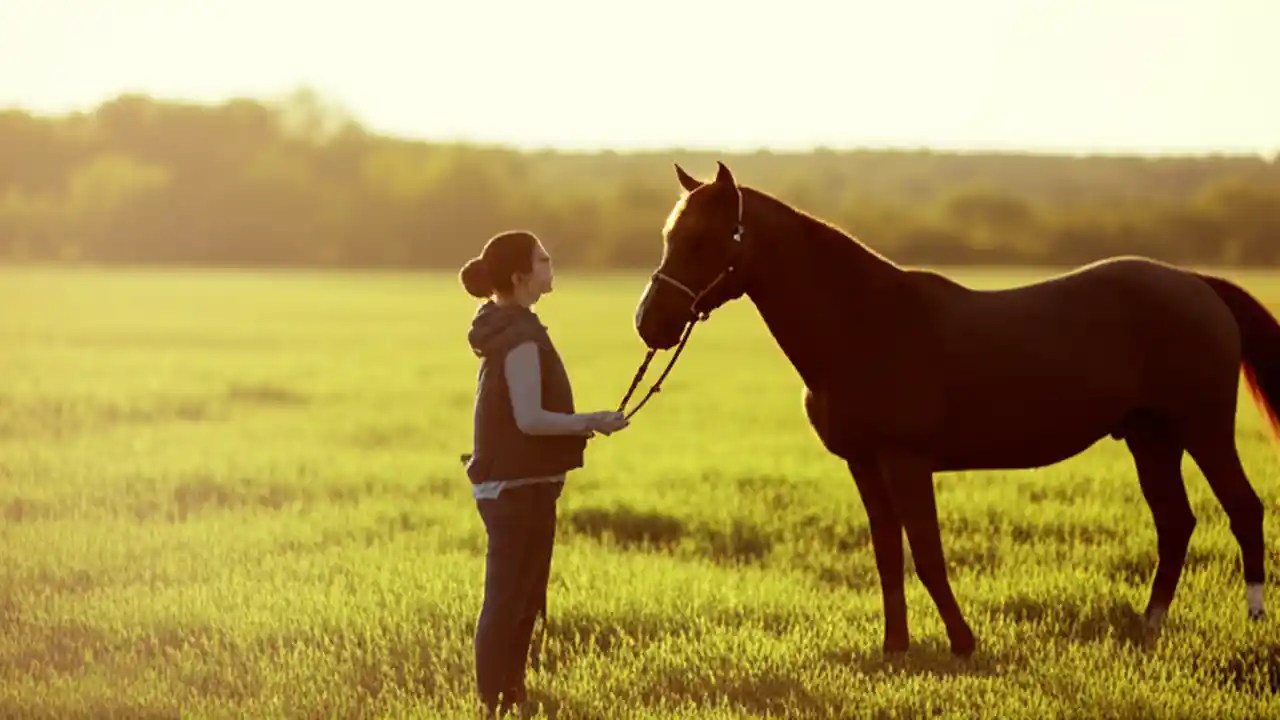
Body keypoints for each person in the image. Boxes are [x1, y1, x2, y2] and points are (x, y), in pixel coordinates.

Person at [459, 230, 629, 716]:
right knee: (508, 599)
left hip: (524, 485)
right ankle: (493, 702)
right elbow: (529, 418)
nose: (551, 265)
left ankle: (512, 695)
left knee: (525, 597)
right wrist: (591, 421)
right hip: (514, 489)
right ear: (520, 277)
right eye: (543, 259)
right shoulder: (520, 338)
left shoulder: (512, 325)